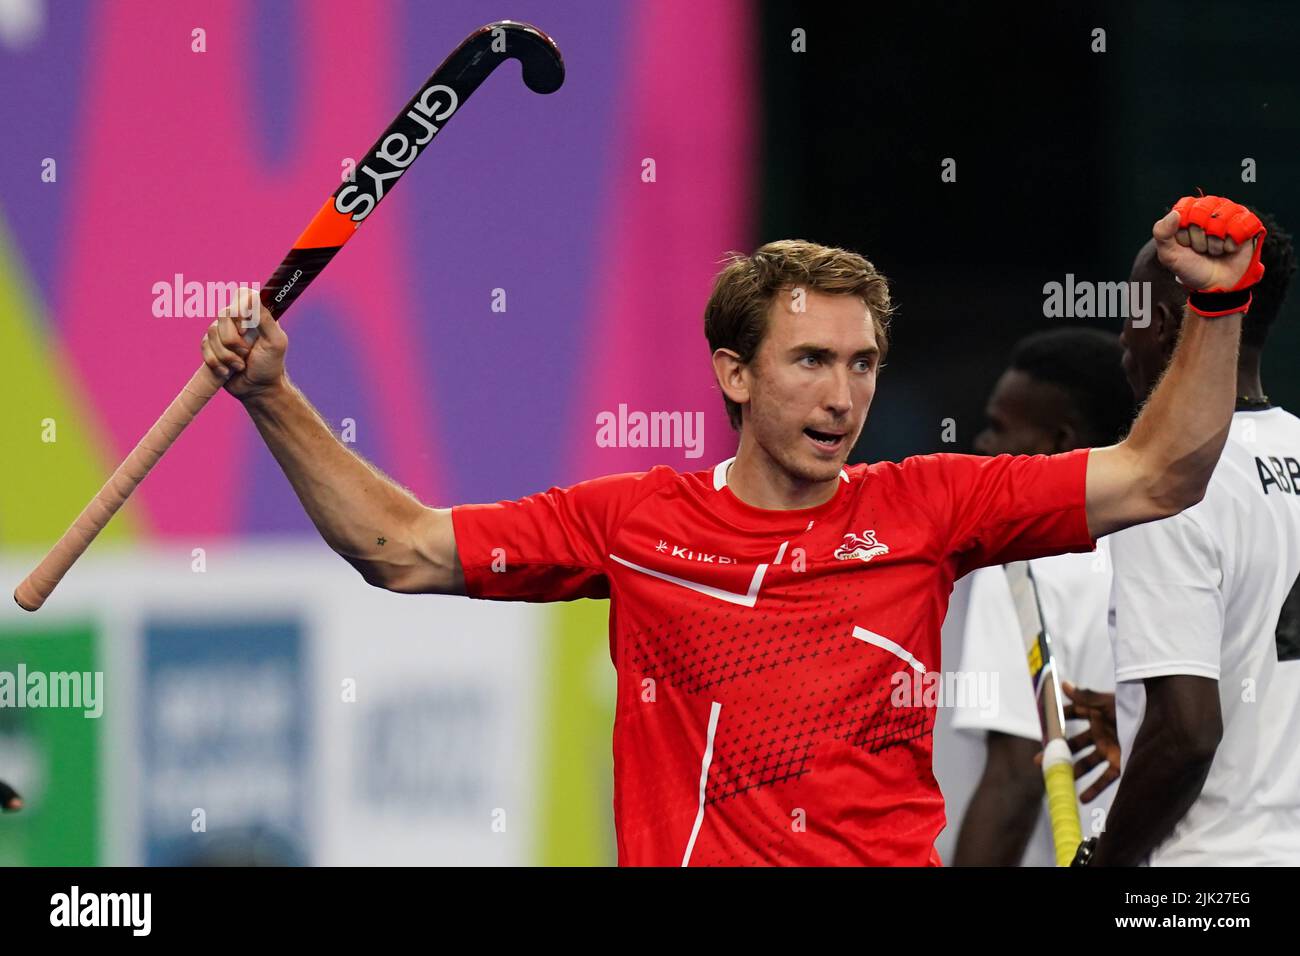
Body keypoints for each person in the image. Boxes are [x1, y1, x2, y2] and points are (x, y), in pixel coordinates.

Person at [201, 196, 1262, 865]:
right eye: (810, 361)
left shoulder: (931, 502)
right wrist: (273, 396)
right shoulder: (633, 521)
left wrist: (1217, 312)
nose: (842, 395)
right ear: (734, 371)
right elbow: (401, 546)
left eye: (861, 364)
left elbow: (1157, 471)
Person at [1076, 209, 1300, 866]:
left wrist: (1109, 860)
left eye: (1134, 315)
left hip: (1210, 872)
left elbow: (1188, 733)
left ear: (1169, 327)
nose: (1121, 338)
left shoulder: (1170, 483)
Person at [951, 328, 1134, 866]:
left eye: (998, 427)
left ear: (1058, 443)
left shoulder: (1025, 561)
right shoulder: (1176, 534)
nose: (982, 445)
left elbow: (1014, 781)